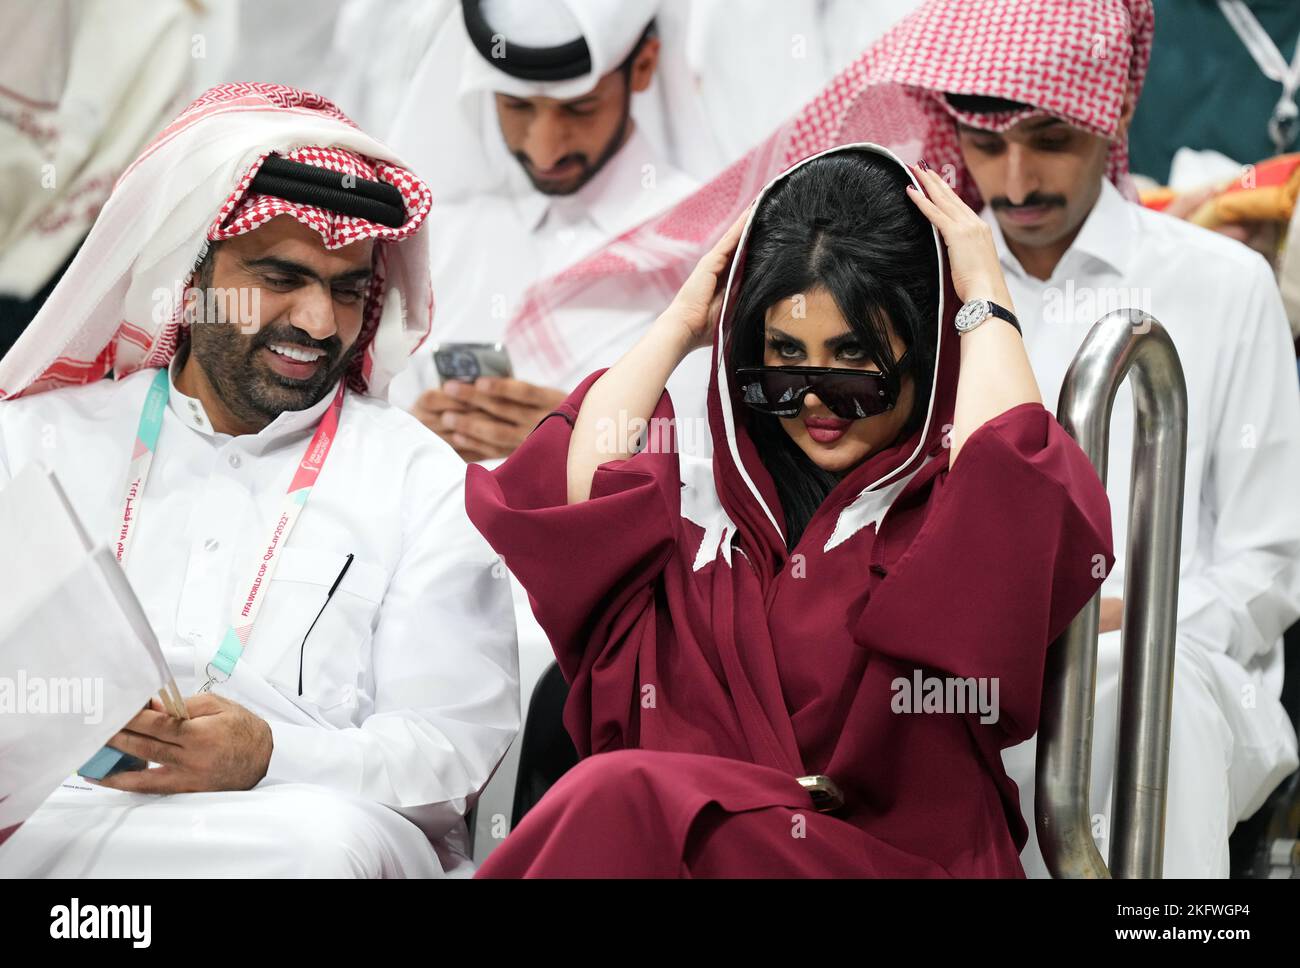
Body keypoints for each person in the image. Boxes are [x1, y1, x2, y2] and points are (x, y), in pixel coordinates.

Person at [463, 143, 1113, 877]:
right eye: (783, 361)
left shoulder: (937, 517)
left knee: (620, 794)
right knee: (623, 799)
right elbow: (571, 497)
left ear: (926, 353)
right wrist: (682, 319)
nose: (812, 401)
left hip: (890, 866)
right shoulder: (705, 535)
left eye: (854, 364)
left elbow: (1010, 479)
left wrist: (982, 294)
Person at [0, 84, 519, 878]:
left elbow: (452, 747)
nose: (318, 324)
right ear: (194, 268)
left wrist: (272, 754)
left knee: (322, 850)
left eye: (349, 290)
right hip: (59, 812)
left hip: (276, 822)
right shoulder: (36, 441)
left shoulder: (419, 483)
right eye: (280, 278)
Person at [386, 0, 720, 462]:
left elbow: (741, 456)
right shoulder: (441, 232)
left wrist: (592, 442)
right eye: (516, 105)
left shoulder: (711, 244)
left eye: (579, 108)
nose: (544, 150)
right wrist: (411, 437)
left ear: (642, 67)